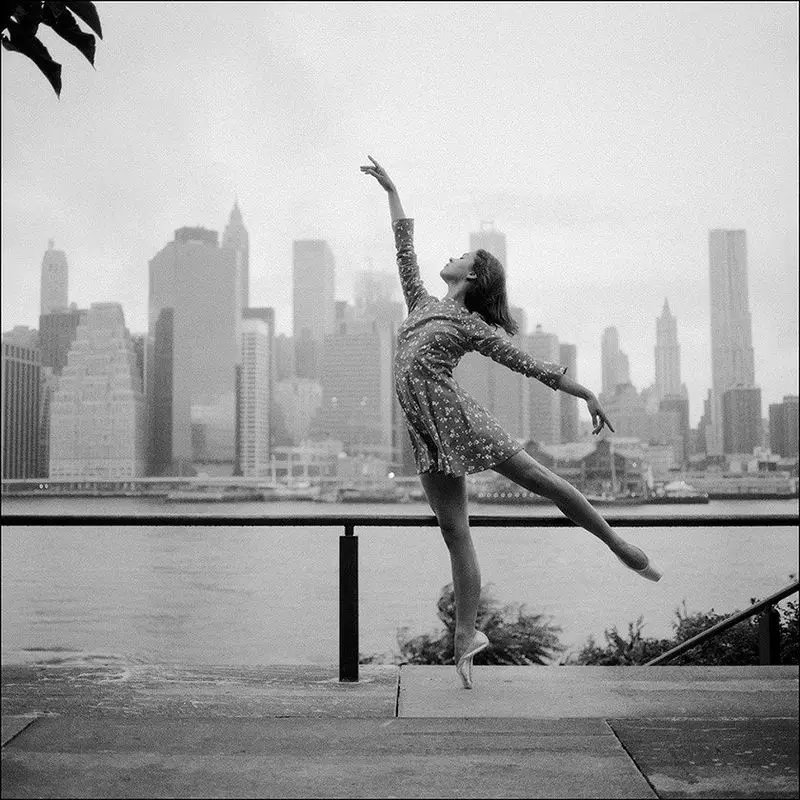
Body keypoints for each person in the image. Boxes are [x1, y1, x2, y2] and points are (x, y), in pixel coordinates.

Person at [361, 155, 661, 689]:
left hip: (460, 422)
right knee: (455, 533)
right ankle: (466, 640)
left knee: (549, 483)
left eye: (460, 255)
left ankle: (620, 547)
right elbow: (403, 244)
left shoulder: (469, 324)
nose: (448, 256)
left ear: (470, 275)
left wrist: (585, 391)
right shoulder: (421, 303)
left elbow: (528, 364)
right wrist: (392, 189)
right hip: (427, 436)